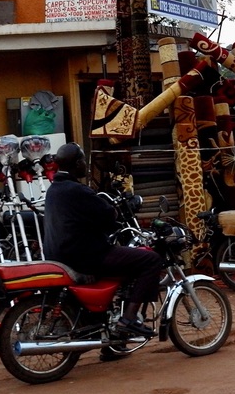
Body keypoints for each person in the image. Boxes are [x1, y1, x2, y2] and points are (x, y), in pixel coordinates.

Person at [43, 142, 163, 339]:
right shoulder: (77, 190)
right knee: (151, 260)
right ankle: (129, 318)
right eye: (82, 160)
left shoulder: (55, 189)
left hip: (60, 253)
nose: (85, 165)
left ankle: (114, 342)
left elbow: (83, 218)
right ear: (76, 163)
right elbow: (108, 216)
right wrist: (124, 208)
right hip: (84, 255)